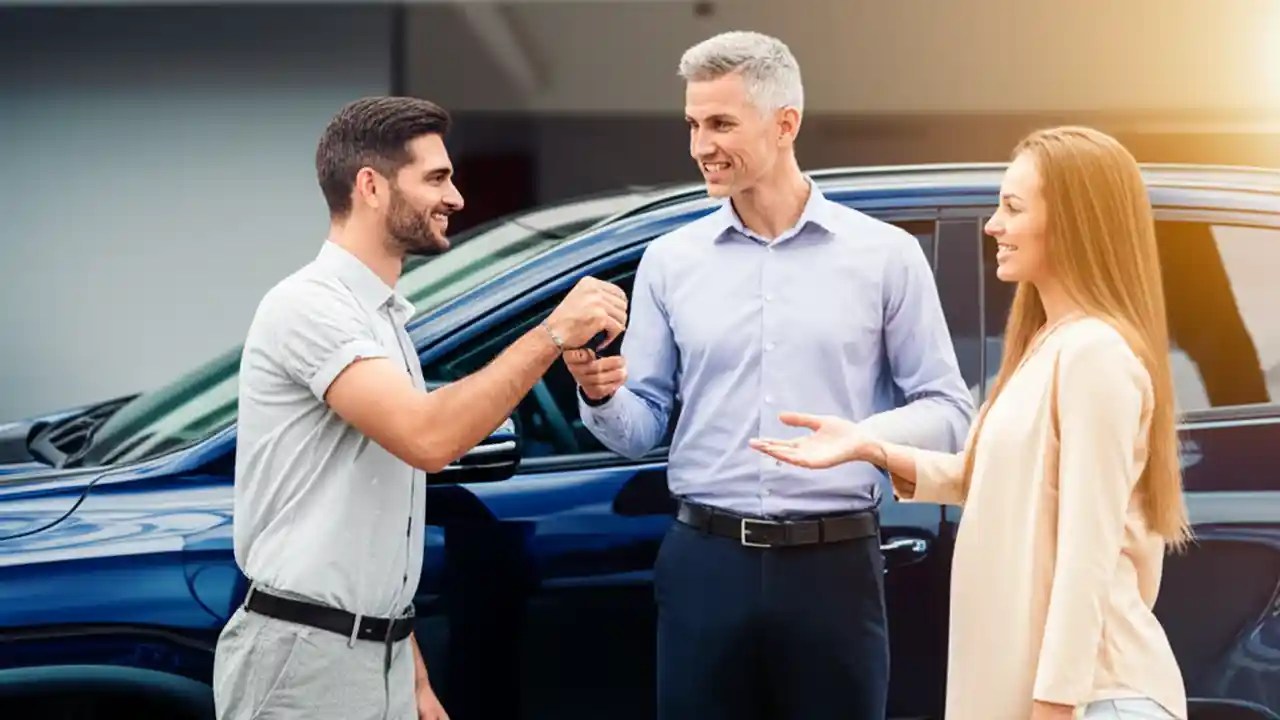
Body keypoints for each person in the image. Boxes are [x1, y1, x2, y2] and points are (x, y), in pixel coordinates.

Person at [562, 32, 974, 720]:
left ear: (786, 124)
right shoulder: (670, 261)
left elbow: (948, 410)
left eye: (721, 123)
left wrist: (862, 440)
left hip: (835, 567)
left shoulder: (886, 258)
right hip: (704, 563)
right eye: (693, 124)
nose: (700, 146)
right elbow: (642, 427)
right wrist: (599, 393)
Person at [751, 126, 1192, 720]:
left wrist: (1055, 705)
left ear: (1075, 222)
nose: (993, 225)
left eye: (1012, 207)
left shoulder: (1094, 355)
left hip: (1096, 695)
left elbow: (1087, 549)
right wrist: (871, 447)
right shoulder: (1048, 346)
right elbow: (993, 478)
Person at [212, 96, 628, 720]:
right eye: (436, 178)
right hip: (303, 662)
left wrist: (406, 668)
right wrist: (551, 335)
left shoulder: (384, 321)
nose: (456, 197)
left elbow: (376, 526)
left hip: (371, 653)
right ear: (371, 186)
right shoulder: (309, 306)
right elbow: (428, 438)